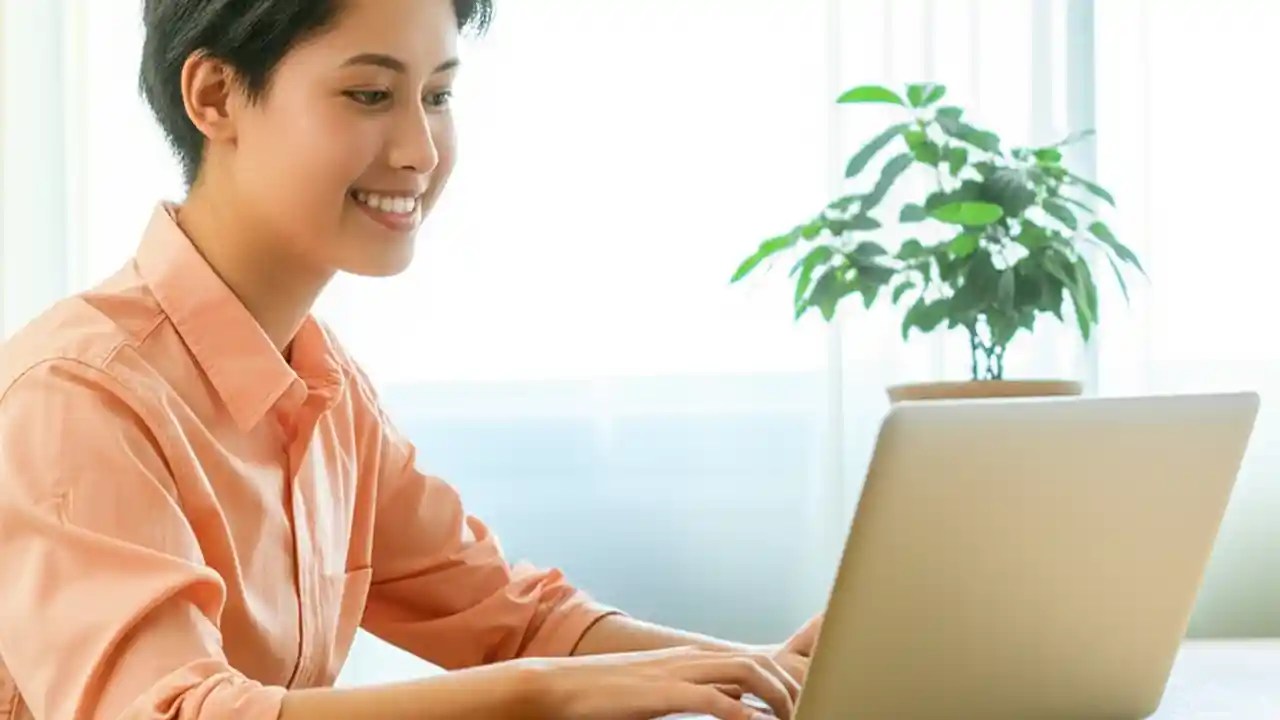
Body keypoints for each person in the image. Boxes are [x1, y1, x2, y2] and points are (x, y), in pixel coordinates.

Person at [0, 1, 823, 719]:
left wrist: (762, 673)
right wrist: (544, 694)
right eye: (370, 95)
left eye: (438, 96)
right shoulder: (74, 398)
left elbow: (514, 619)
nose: (421, 150)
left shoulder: (322, 387)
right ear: (215, 96)